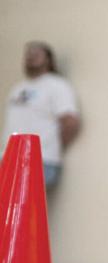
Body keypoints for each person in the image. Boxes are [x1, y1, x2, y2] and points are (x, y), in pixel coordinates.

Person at [5, 42, 81, 191]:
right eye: (28, 54)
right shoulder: (18, 88)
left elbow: (70, 122)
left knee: (22, 204)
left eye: (36, 53)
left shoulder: (57, 85)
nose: (30, 57)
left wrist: (51, 147)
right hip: (10, 157)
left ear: (48, 59)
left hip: (40, 159)